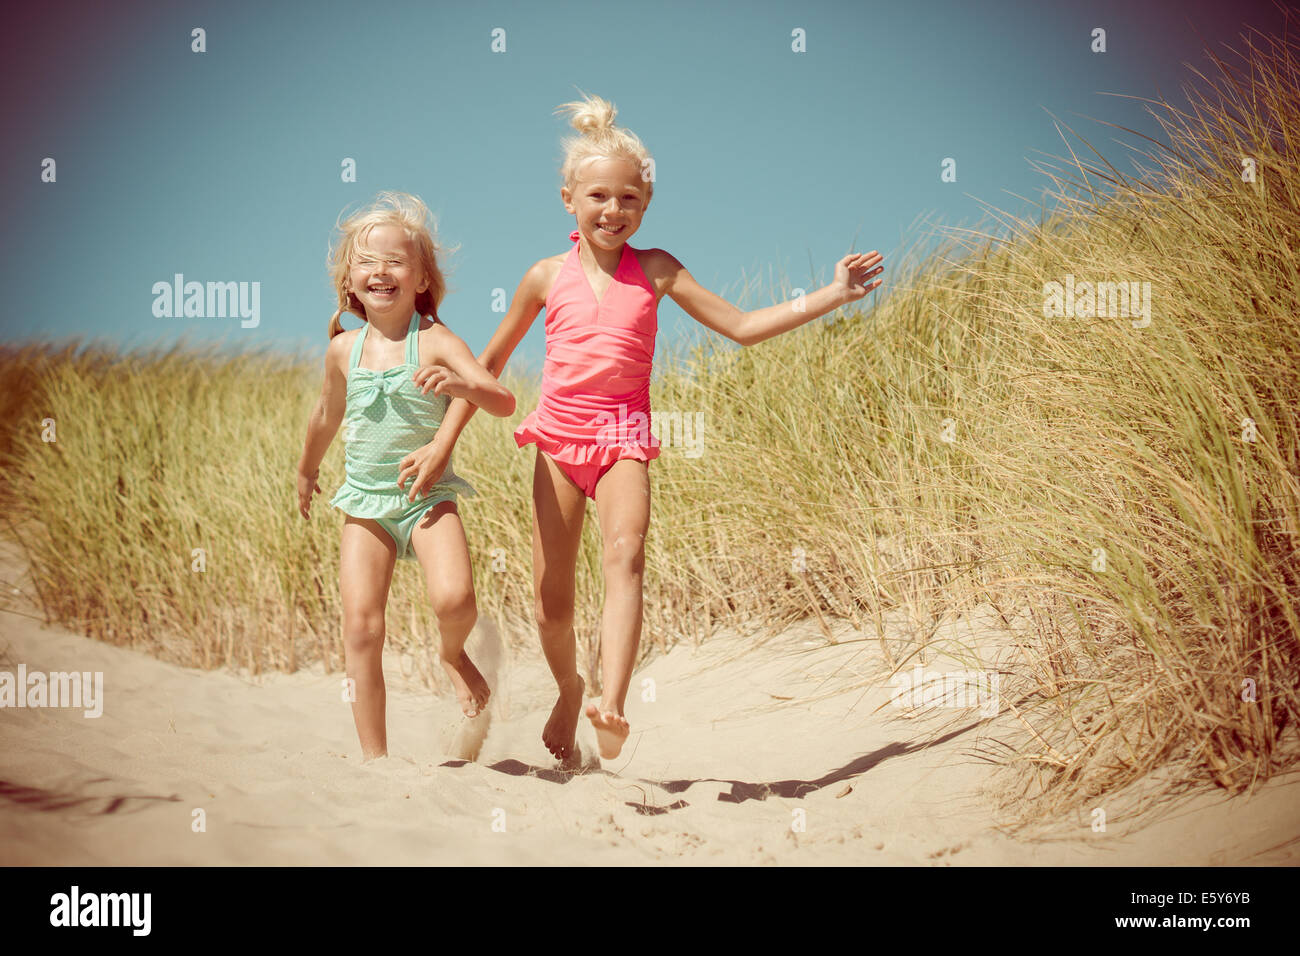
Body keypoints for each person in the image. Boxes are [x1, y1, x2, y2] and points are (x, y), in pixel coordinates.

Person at [403, 95, 883, 764]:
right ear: (568, 198)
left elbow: (741, 327)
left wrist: (834, 295)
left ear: (645, 205)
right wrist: (441, 442)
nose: (614, 209)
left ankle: (613, 702)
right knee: (552, 607)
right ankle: (570, 689)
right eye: (598, 194)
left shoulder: (657, 271)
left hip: (624, 440)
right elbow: (485, 367)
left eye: (630, 197)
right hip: (557, 446)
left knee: (626, 554)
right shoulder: (545, 277)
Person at [297, 192, 515, 761]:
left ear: (421, 278)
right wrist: (306, 469)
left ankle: (452, 654)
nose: (381, 271)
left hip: (427, 497)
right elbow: (326, 414)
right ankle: (376, 761)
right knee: (362, 630)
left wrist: (464, 386)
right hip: (364, 505)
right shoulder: (344, 350)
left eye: (395, 261)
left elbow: (502, 400)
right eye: (367, 262)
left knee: (455, 599)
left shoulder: (437, 341)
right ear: (350, 279)